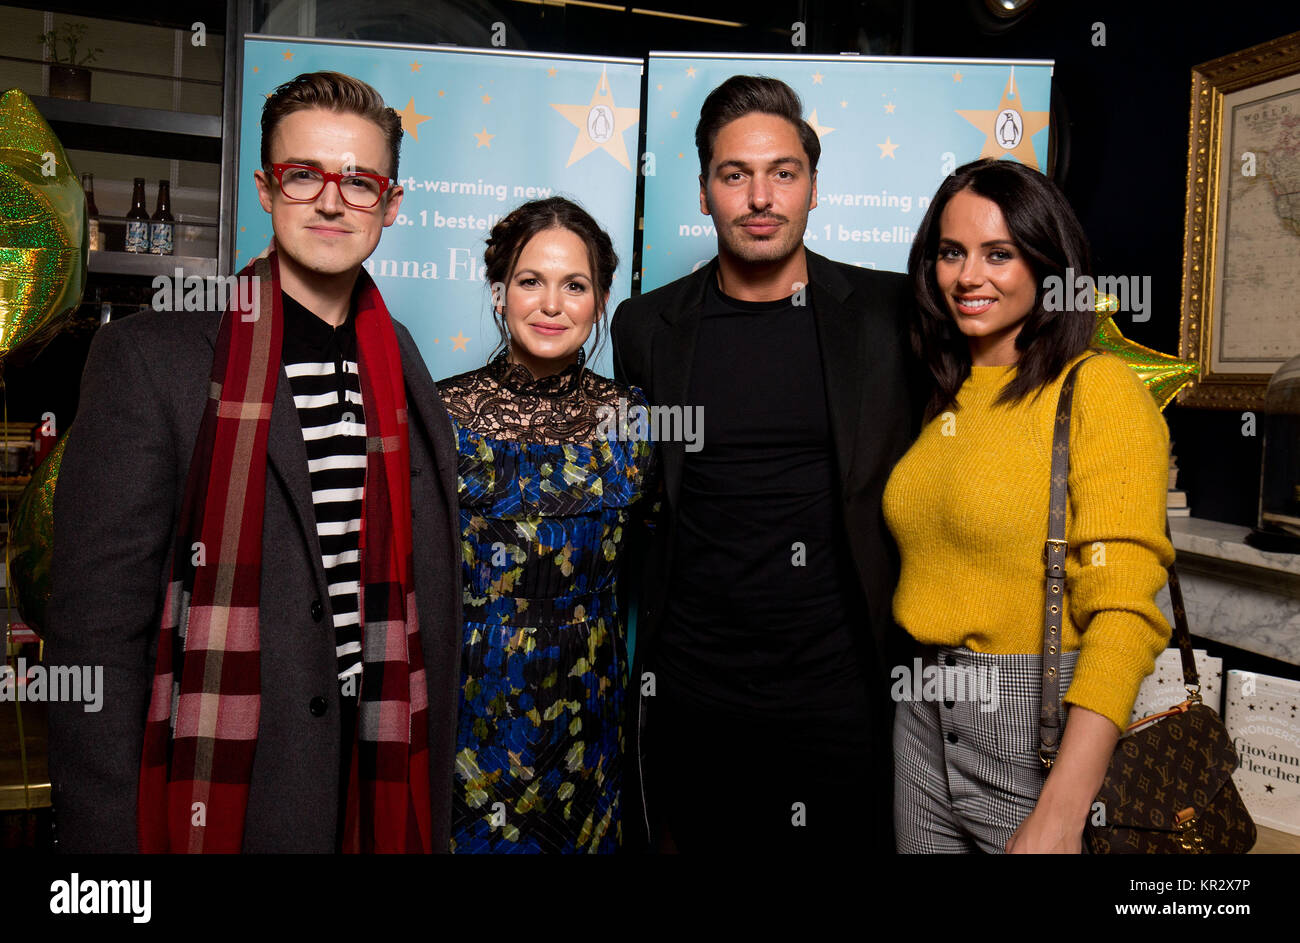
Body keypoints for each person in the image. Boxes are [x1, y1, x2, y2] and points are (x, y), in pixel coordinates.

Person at [45, 71, 463, 853]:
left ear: (391, 205)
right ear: (267, 191)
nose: (332, 202)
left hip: (374, 775)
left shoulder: (399, 357)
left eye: (360, 182)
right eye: (305, 175)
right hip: (235, 789)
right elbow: (95, 633)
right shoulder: (152, 355)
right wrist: (109, 851)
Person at [611, 75, 920, 853]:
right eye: (734, 174)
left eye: (783, 172)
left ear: (814, 188)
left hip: (839, 692)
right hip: (692, 691)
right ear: (705, 190)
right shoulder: (647, 326)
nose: (760, 196)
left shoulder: (889, 315)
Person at [884, 157, 1174, 854]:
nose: (968, 276)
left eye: (999, 254)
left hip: (1036, 729)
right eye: (952, 252)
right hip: (919, 718)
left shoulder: (1099, 390)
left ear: (1047, 263)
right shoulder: (939, 393)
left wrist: (1062, 812)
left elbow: (1125, 615)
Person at [437, 197, 654, 853]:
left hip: (590, 719)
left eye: (575, 285)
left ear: (601, 299)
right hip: (471, 715)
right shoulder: (439, 411)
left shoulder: (635, 419)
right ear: (500, 293)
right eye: (531, 281)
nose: (552, 304)